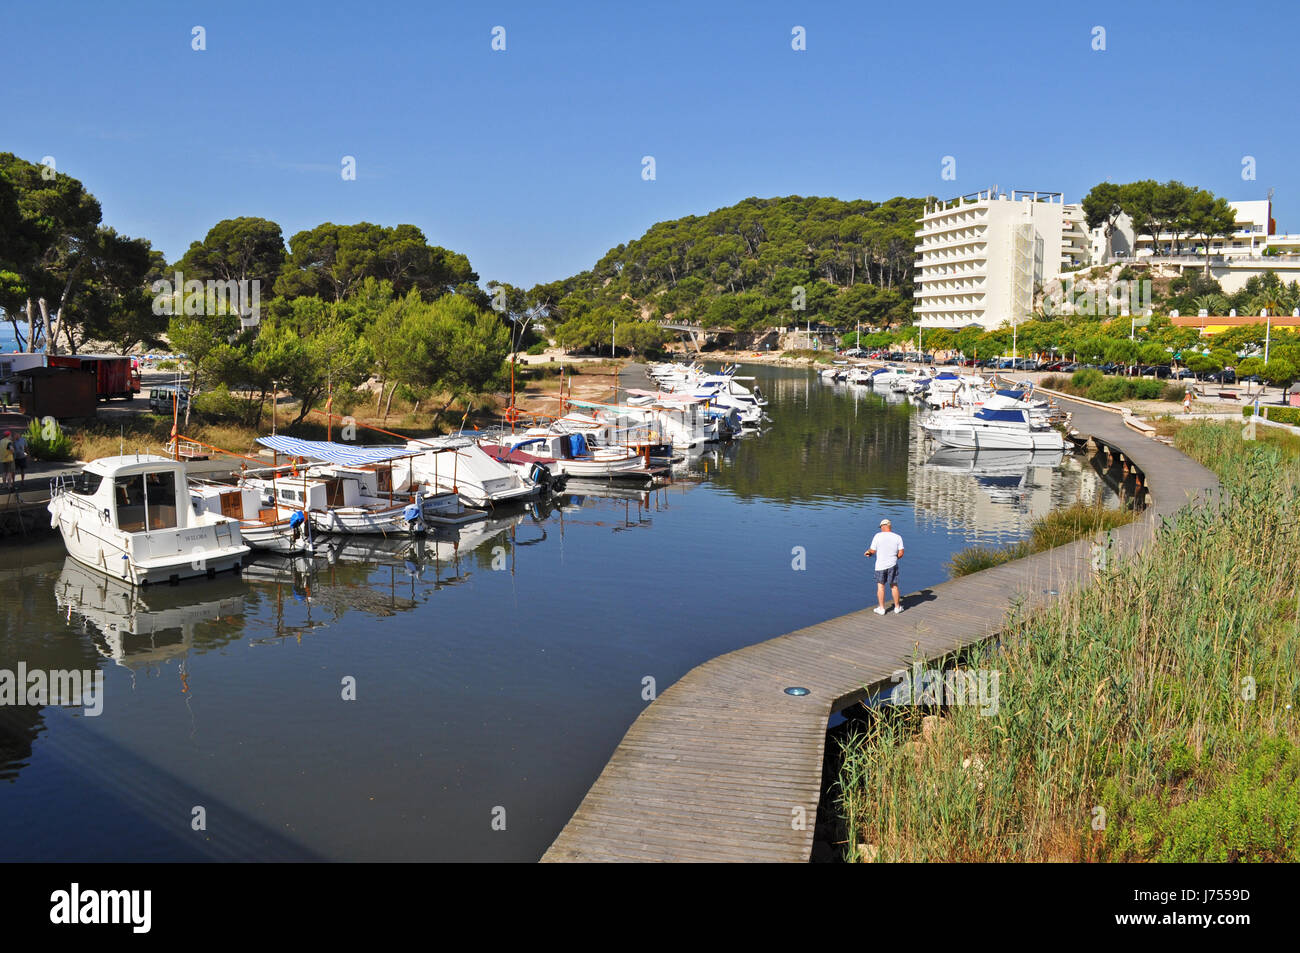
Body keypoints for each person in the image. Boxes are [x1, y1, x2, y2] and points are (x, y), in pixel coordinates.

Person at [865, 517, 905, 615]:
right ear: (889, 526)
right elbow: (901, 553)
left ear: (883, 526)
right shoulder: (897, 537)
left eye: (881, 527)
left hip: (880, 566)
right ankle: (897, 607)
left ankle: (882, 609)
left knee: (881, 587)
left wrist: (868, 552)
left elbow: (873, 551)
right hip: (893, 564)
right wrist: (894, 558)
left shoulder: (877, 536)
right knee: (894, 586)